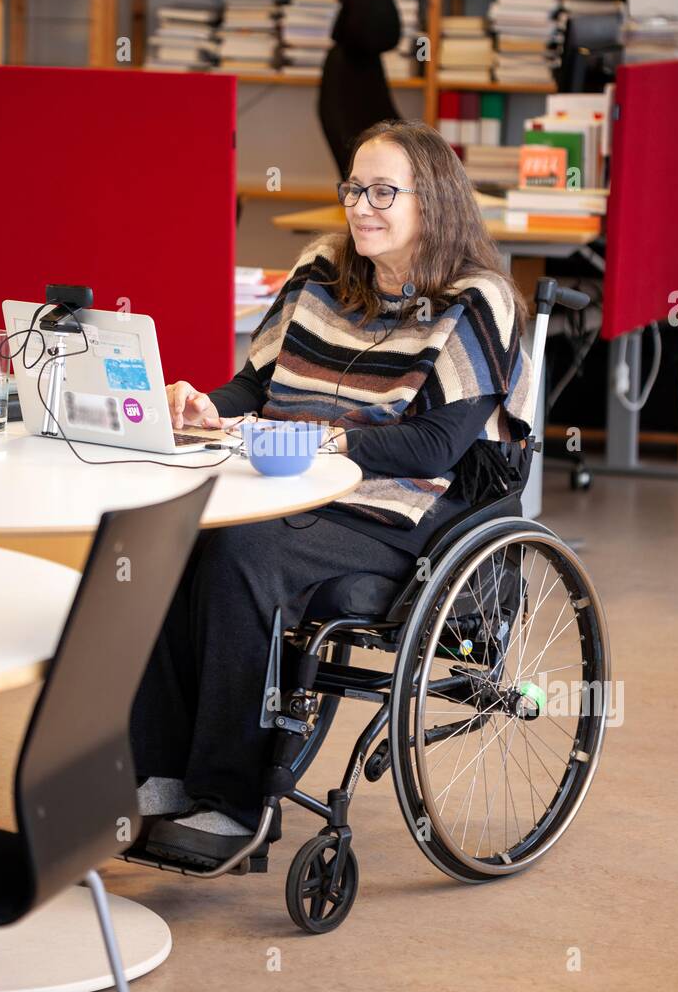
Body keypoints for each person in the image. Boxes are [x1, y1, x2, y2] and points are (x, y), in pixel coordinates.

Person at [129, 119, 533, 869]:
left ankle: (230, 801)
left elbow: (437, 446)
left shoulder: (478, 302)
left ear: (434, 202)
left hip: (404, 505)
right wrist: (209, 407)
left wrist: (324, 438)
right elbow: (258, 384)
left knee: (240, 552)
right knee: (159, 534)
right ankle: (162, 779)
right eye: (354, 188)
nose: (362, 206)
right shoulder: (322, 270)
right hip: (291, 482)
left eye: (384, 191)